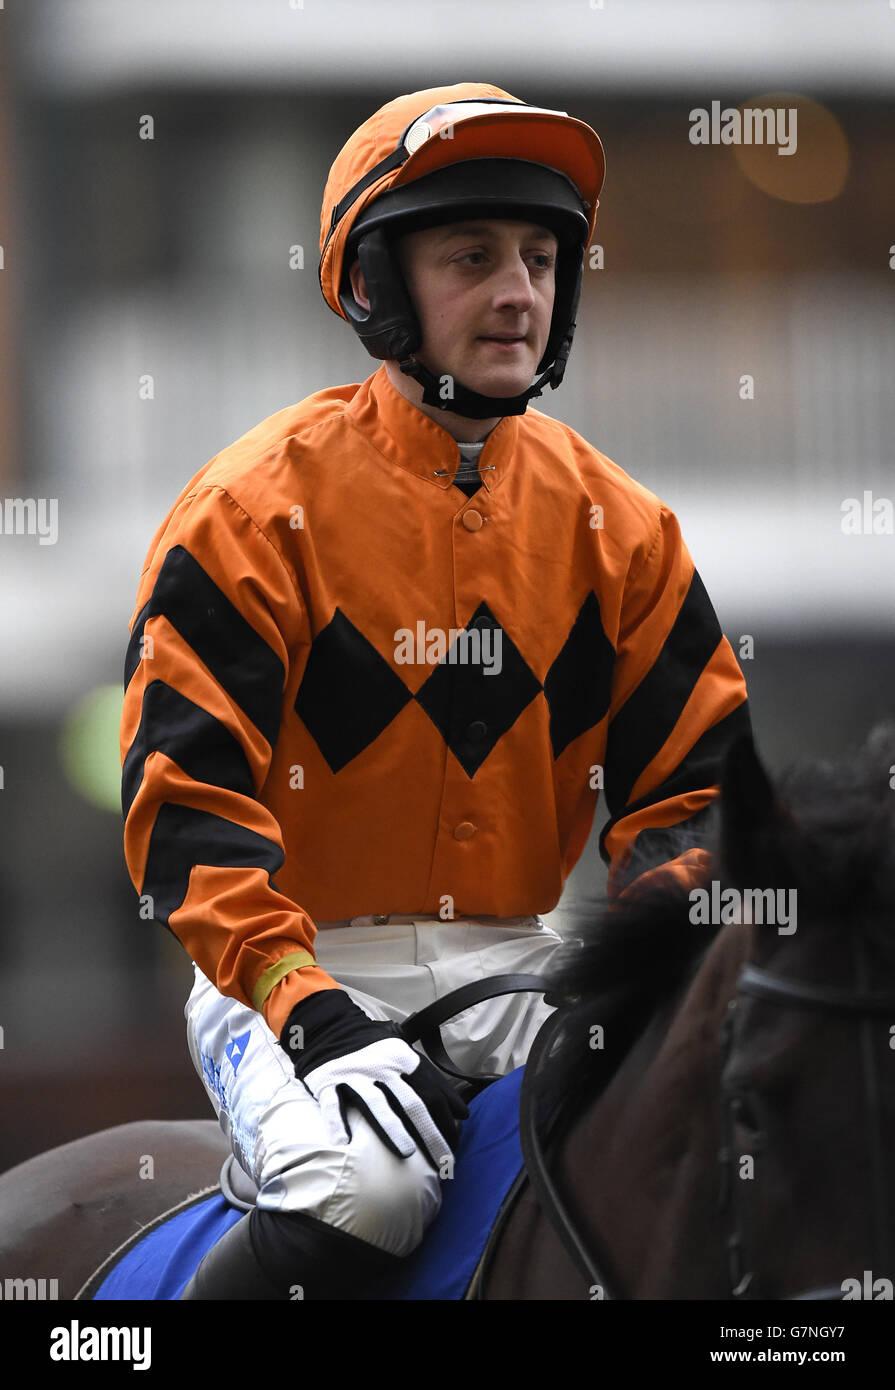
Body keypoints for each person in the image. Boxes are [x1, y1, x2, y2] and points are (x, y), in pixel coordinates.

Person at [120, 82, 750, 1299]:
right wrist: (304, 1008)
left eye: (539, 257)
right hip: (290, 971)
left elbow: (701, 801)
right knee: (370, 1192)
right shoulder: (251, 510)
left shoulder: (623, 530)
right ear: (375, 284)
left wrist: (643, 970)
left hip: (527, 966)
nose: (519, 291)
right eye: (472, 256)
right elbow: (183, 802)